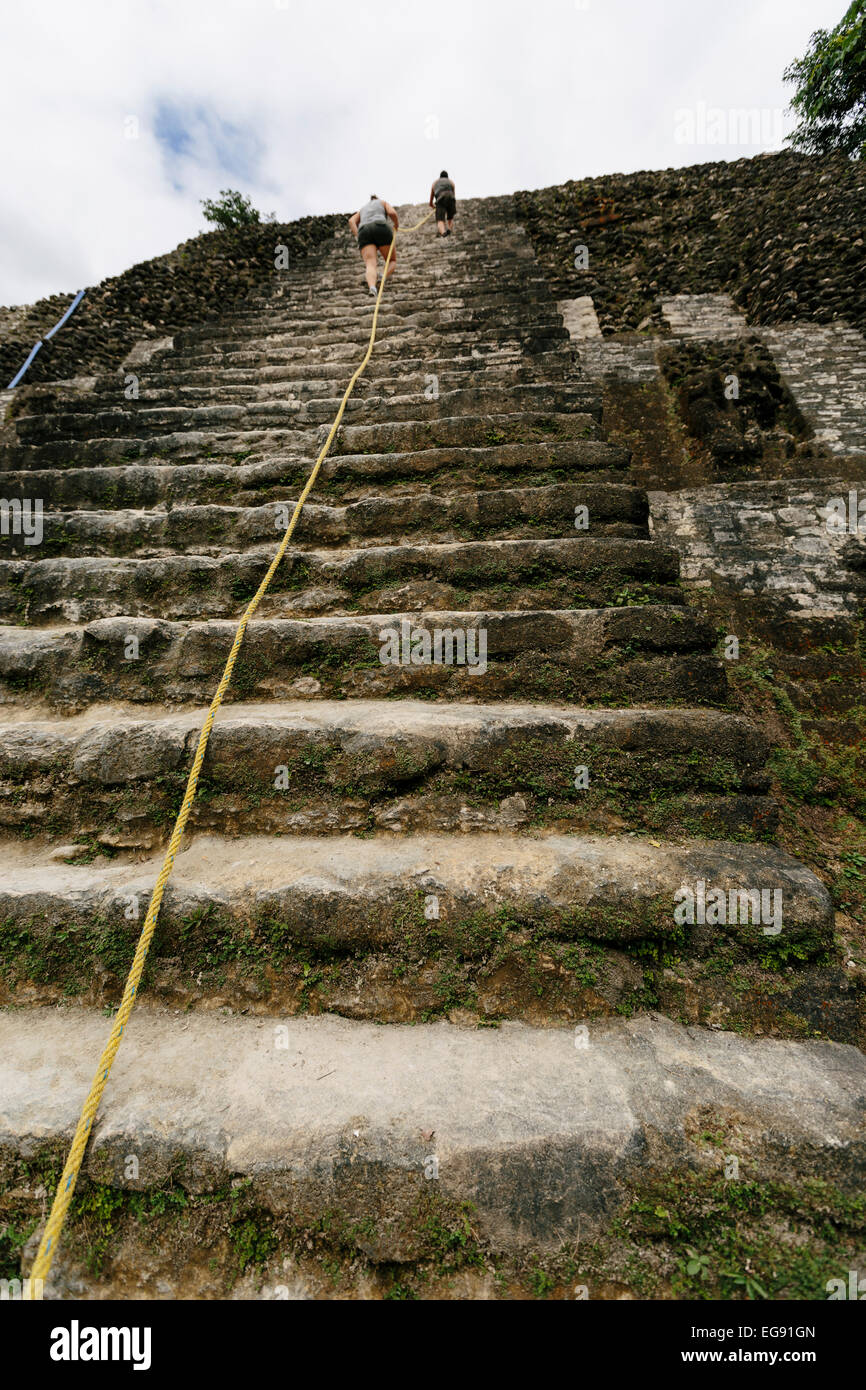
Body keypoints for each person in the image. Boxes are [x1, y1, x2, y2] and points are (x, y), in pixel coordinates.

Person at [348, 195, 399, 296]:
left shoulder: (363, 209)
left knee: (370, 264)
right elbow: (392, 213)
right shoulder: (382, 202)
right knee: (392, 260)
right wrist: (396, 224)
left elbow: (351, 221)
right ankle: (382, 276)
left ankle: (372, 287)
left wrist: (359, 236)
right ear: (377, 199)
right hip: (380, 227)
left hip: (364, 230)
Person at [429, 171, 456, 237]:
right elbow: (453, 194)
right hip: (451, 197)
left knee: (440, 220)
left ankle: (443, 232)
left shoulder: (435, 183)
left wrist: (433, 206)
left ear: (440, 176)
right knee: (450, 217)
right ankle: (449, 229)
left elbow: (431, 198)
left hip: (440, 199)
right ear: (447, 176)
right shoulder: (451, 182)